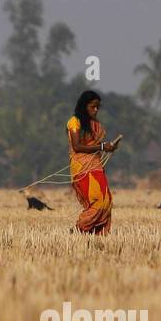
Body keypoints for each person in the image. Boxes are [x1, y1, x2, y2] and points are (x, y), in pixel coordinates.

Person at [67, 90, 122, 234]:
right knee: (97, 201)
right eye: (93, 106)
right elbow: (77, 146)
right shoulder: (74, 122)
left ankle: (99, 237)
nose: (96, 110)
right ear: (84, 106)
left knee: (106, 201)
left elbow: (96, 146)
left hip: (96, 165)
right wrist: (103, 146)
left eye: (98, 107)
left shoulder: (95, 125)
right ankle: (80, 230)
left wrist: (109, 148)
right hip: (81, 167)